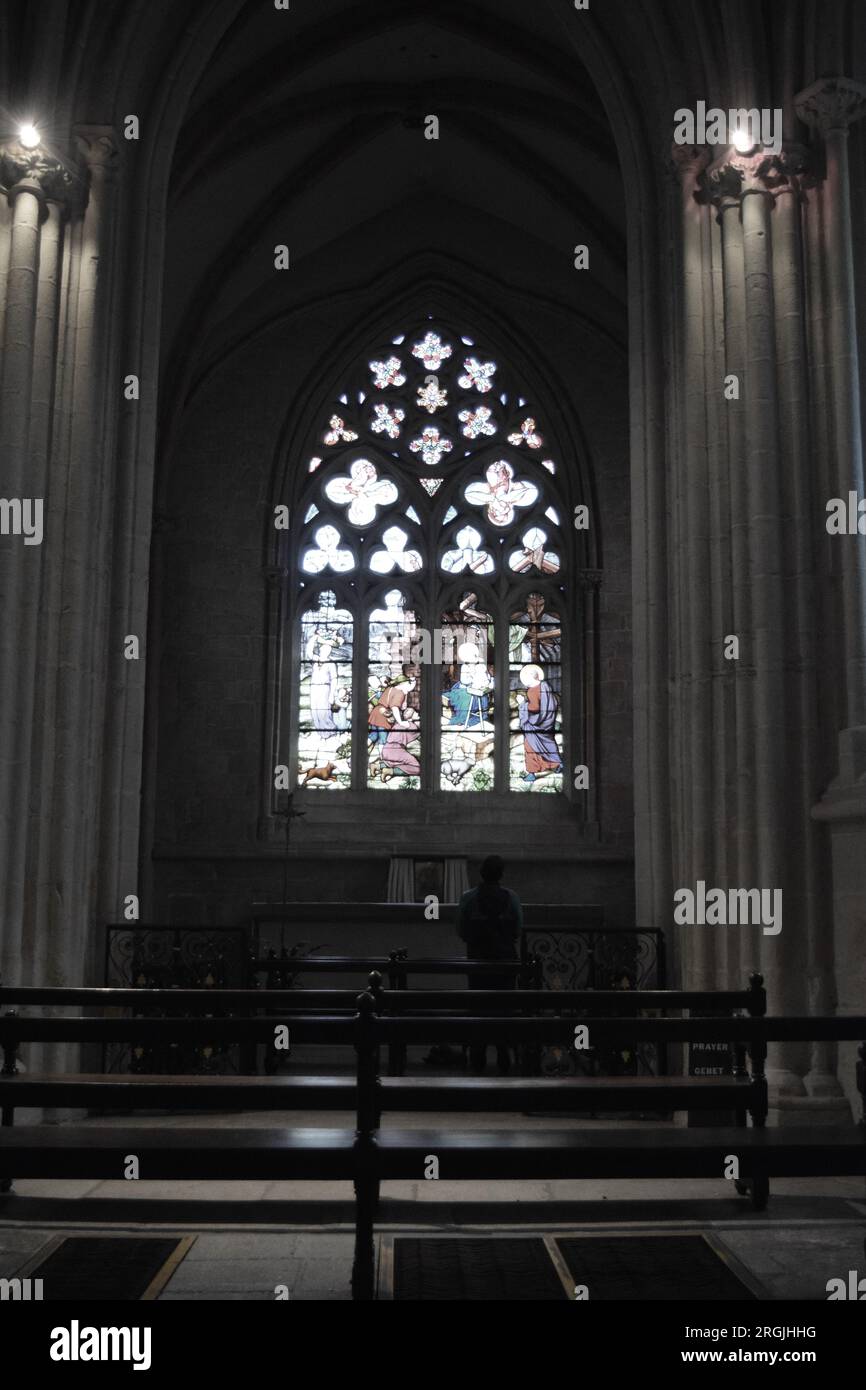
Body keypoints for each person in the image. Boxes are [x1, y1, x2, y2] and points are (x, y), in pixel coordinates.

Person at [456, 855, 523, 1074]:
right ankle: (504, 1052)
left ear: (481, 873)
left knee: (479, 1005)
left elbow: (461, 930)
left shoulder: (469, 898)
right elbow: (517, 929)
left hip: (478, 961)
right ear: (501, 874)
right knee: (503, 1006)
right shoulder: (511, 897)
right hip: (505, 962)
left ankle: (478, 1054)